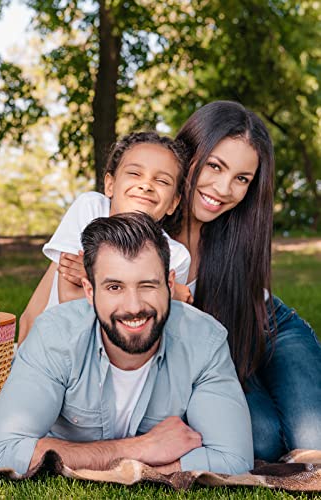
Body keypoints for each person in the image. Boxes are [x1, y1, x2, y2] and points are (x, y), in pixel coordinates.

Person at [60, 101, 321, 462]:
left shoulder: (235, 233)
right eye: (215, 166)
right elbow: (47, 315)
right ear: (189, 155)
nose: (224, 189)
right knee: (262, 440)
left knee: (313, 438)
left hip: (269, 325)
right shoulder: (132, 226)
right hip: (223, 353)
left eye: (242, 179)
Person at [0, 213, 253, 475]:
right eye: (115, 287)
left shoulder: (204, 341)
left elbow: (232, 458)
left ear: (170, 285)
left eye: (147, 285)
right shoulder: (54, 336)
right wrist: (142, 449)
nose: (134, 306)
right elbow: (2, 453)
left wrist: (76, 458)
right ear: (90, 291)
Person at [18, 132, 192, 343]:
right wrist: (159, 291)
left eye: (162, 180)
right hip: (53, 343)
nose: (146, 185)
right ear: (110, 184)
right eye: (135, 173)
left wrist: (93, 274)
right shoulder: (90, 208)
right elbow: (70, 299)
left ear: (174, 202)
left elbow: (144, 324)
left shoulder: (176, 256)